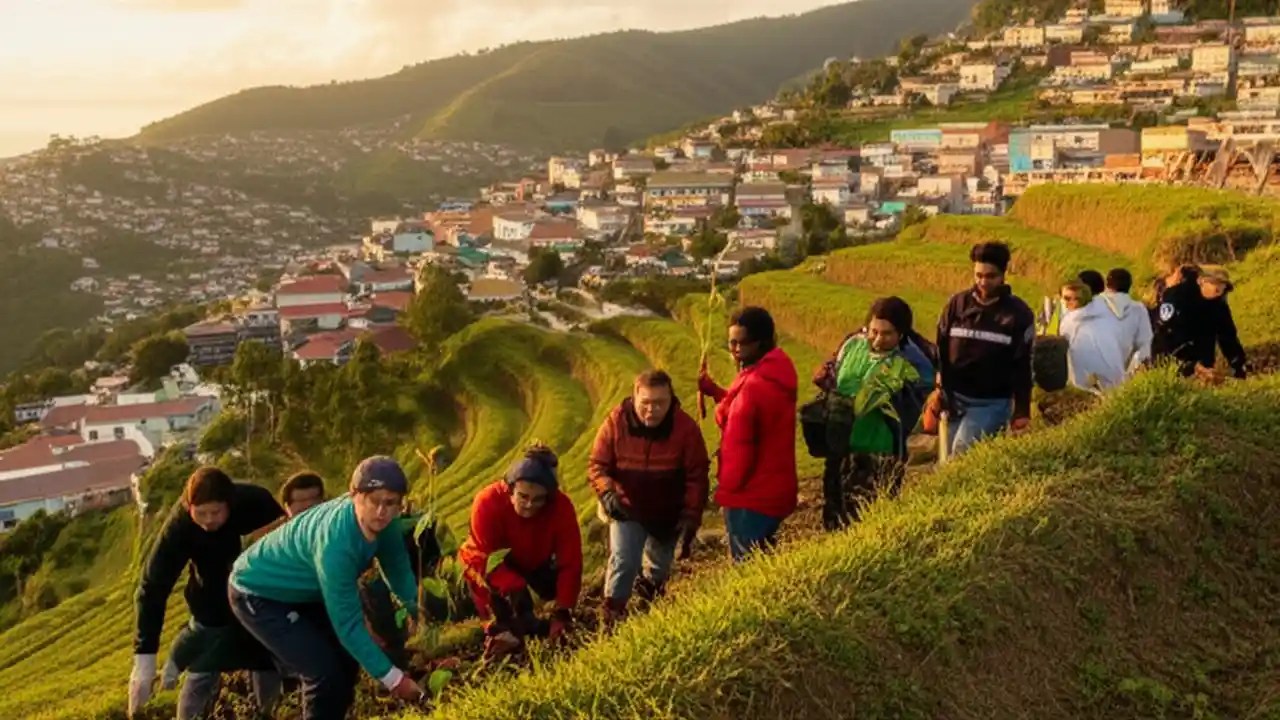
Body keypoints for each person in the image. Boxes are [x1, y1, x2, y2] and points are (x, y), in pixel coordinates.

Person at [228, 456, 424, 720]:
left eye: (390, 503)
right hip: (257, 592)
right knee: (322, 672)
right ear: (355, 496)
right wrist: (395, 681)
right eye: (373, 501)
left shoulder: (386, 523)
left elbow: (397, 567)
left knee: (345, 661)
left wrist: (420, 614)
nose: (381, 511)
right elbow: (348, 626)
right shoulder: (336, 544)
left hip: (304, 588)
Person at [129, 467, 285, 720]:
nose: (209, 520)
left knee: (264, 660)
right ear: (189, 507)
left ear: (230, 504)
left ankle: (265, 711)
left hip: (261, 598)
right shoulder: (180, 526)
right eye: (200, 513)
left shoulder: (256, 502)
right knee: (203, 663)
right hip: (211, 600)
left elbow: (287, 543)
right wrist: (144, 659)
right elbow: (153, 586)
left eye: (216, 512)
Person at [588, 370, 710, 622]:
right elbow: (597, 465)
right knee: (623, 562)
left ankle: (648, 604)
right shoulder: (615, 422)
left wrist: (691, 516)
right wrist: (608, 492)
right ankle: (613, 613)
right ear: (634, 399)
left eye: (659, 403)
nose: (652, 410)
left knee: (658, 567)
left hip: (667, 511)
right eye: (645, 403)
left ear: (671, 399)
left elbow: (697, 476)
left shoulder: (686, 429)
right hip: (627, 507)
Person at [813, 297, 934, 530]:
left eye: (887, 334)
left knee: (870, 520)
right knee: (835, 515)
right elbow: (834, 375)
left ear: (901, 334)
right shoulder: (852, 345)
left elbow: (909, 398)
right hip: (841, 446)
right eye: (874, 331)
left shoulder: (909, 362)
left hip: (879, 451)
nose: (878, 340)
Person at [459, 446, 583, 659]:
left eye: (537, 500)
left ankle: (532, 623)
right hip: (487, 563)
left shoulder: (561, 507)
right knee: (506, 618)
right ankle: (500, 631)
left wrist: (563, 611)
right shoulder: (487, 502)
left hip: (534, 559)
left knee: (543, 603)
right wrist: (515, 588)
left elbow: (571, 560)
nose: (528, 505)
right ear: (510, 490)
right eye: (523, 496)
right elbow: (486, 558)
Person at [697, 306, 798, 562]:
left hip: (750, 497)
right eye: (732, 343)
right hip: (775, 488)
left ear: (761, 342)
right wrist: (715, 391)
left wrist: (725, 494)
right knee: (764, 560)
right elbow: (743, 410)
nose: (736, 349)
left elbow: (739, 446)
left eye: (743, 343)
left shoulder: (753, 385)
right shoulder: (774, 373)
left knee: (746, 566)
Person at [936, 242, 1036, 456]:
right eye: (978, 275)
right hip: (954, 399)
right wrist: (939, 389)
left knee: (962, 454)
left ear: (1003, 274)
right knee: (946, 458)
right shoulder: (957, 304)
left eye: (990, 276)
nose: (983, 282)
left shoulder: (1018, 314)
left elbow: (1023, 364)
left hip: (991, 403)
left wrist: (1022, 411)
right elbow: (942, 347)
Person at [1151, 265, 1247, 380]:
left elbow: (1228, 336)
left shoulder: (1219, 305)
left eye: (1223, 286)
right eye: (1215, 283)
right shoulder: (1176, 297)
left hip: (1203, 364)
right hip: (1171, 362)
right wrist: (1190, 365)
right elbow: (1165, 335)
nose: (1220, 288)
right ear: (1201, 281)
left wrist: (1238, 364)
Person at [1059, 281, 1128, 391]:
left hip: (1094, 380)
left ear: (1085, 299)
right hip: (1110, 380)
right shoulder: (1106, 312)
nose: (1070, 302)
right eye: (1066, 298)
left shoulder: (1070, 321)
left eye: (1076, 299)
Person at [1100, 268, 1153, 375]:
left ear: (1107, 285)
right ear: (1129, 286)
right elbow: (1145, 345)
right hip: (1124, 379)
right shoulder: (1139, 309)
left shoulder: (1093, 306)